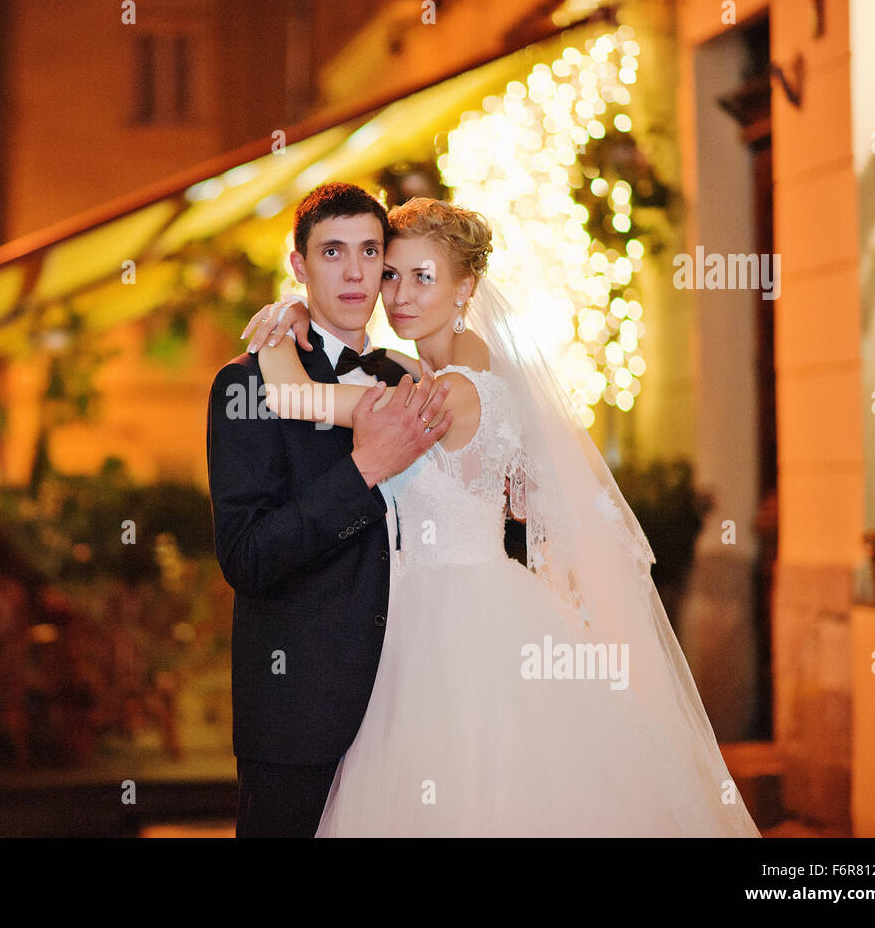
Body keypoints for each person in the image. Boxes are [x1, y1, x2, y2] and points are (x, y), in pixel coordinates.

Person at [243, 196, 760, 836]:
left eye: (424, 277)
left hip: (449, 623)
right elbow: (388, 369)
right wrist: (303, 311)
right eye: (393, 274)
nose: (399, 294)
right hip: (427, 608)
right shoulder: (455, 368)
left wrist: (272, 326)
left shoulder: (446, 394)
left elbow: (297, 395)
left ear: (467, 288)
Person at [206, 183, 454, 837]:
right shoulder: (249, 384)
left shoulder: (407, 377)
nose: (352, 271)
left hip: (412, 707)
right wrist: (363, 470)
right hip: (299, 718)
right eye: (332, 251)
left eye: (369, 251)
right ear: (299, 265)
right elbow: (248, 556)